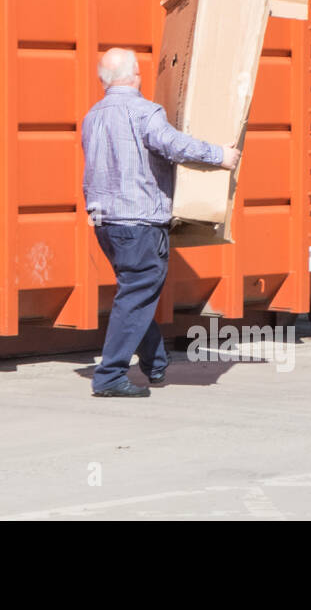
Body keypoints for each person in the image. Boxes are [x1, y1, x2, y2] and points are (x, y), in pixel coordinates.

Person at [81, 47, 239, 397]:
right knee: (136, 294)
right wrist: (221, 156)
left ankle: (154, 363)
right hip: (139, 223)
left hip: (105, 223)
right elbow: (174, 145)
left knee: (135, 292)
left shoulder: (93, 116)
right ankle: (109, 376)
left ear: (103, 80)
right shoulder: (145, 112)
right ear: (135, 73)